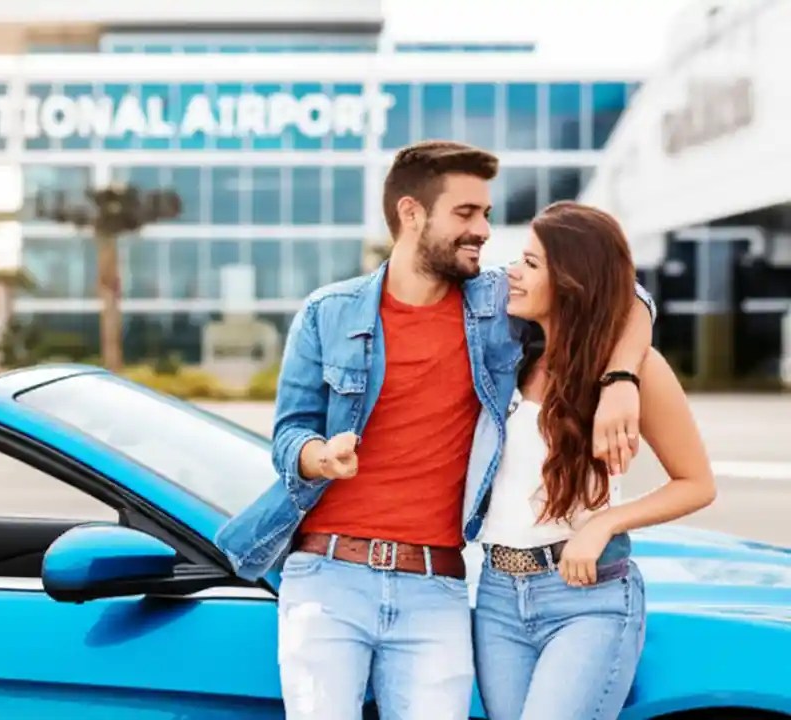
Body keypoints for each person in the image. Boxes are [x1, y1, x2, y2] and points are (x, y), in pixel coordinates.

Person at [214, 140, 659, 720]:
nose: (483, 230)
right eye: (466, 213)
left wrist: (622, 377)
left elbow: (620, 291)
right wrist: (316, 456)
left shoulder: (498, 307)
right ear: (411, 213)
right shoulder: (328, 313)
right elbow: (288, 435)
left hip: (437, 584)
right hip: (327, 577)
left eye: (487, 214)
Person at [473, 201, 716, 720]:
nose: (512, 272)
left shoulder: (636, 369)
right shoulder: (507, 356)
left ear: (571, 282)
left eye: (532, 264)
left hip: (586, 598)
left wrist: (606, 522)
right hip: (495, 598)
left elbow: (696, 483)